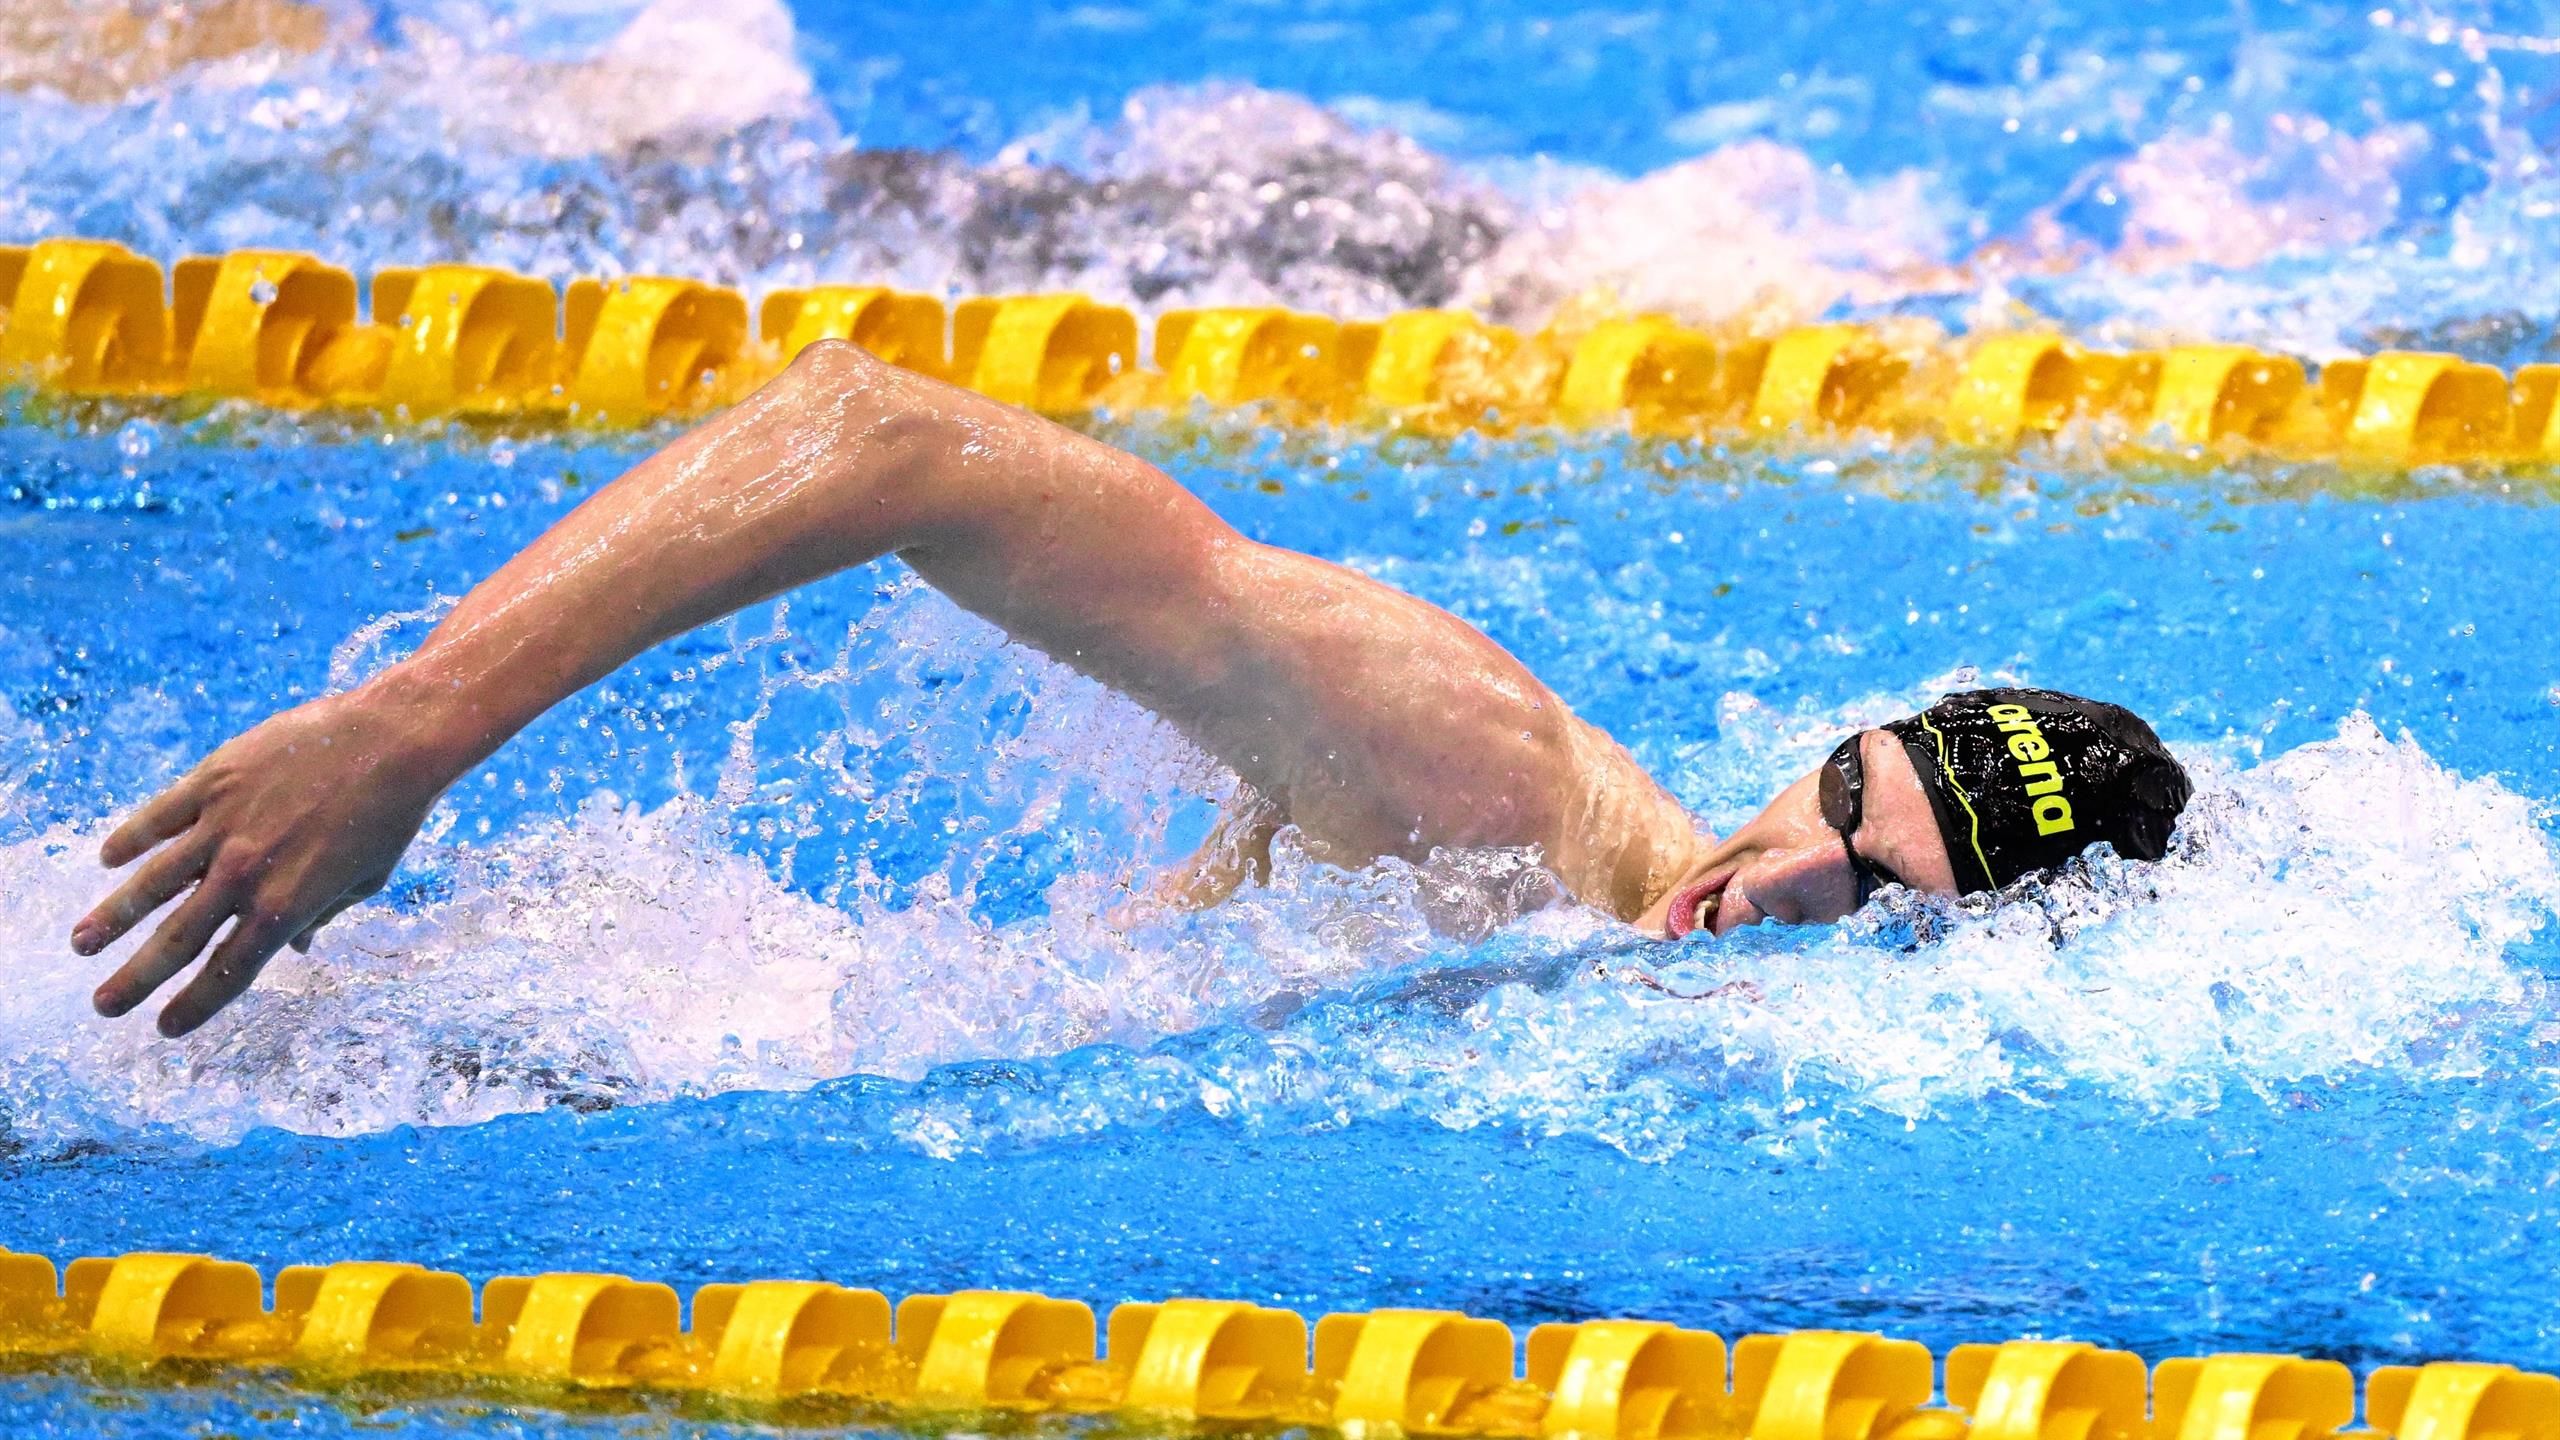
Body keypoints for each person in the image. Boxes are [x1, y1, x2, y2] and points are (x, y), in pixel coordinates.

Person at [71, 340, 2194, 1038]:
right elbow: (880, 430)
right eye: (1834, 801)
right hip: (388, 1002)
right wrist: (408, 730)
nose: (1781, 882)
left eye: (1876, 904)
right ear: (1821, 740)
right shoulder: (1468, 778)